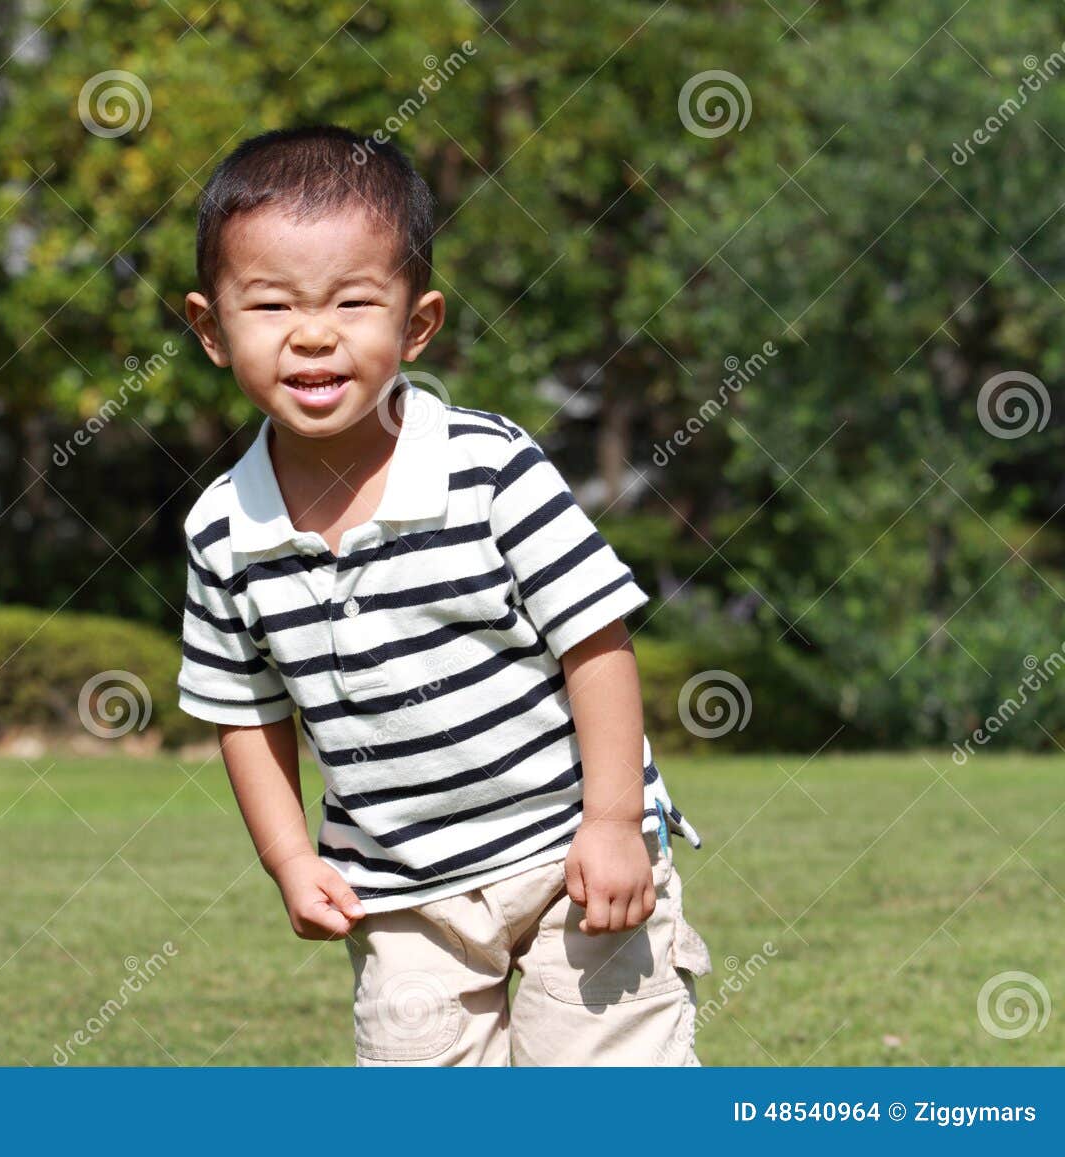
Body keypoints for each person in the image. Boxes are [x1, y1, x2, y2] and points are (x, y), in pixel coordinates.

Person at [177, 124, 712, 1065]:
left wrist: (613, 821)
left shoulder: (488, 467)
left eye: (353, 301)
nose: (313, 333)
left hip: (567, 853)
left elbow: (596, 639)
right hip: (399, 891)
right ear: (211, 329)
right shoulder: (223, 530)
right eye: (271, 304)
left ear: (416, 325)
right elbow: (245, 713)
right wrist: (291, 859)